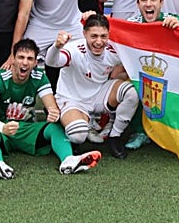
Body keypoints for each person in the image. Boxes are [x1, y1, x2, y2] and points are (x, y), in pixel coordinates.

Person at [0, 39, 102, 179]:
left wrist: (53, 114)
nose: (25, 62)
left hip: (27, 130)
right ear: (13, 59)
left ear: (36, 62)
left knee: (54, 127)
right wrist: (2, 127)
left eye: (30, 58)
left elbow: (52, 108)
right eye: (21, 57)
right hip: (2, 129)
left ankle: (68, 160)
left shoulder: (39, 77)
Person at [45, 15, 140, 160]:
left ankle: (115, 136)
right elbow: (52, 62)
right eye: (94, 36)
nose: (99, 41)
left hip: (98, 95)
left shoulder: (113, 50)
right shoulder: (74, 49)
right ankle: (76, 123)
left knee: (131, 93)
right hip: (72, 100)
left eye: (103, 36)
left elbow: (137, 58)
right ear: (84, 34)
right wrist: (57, 46)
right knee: (78, 136)